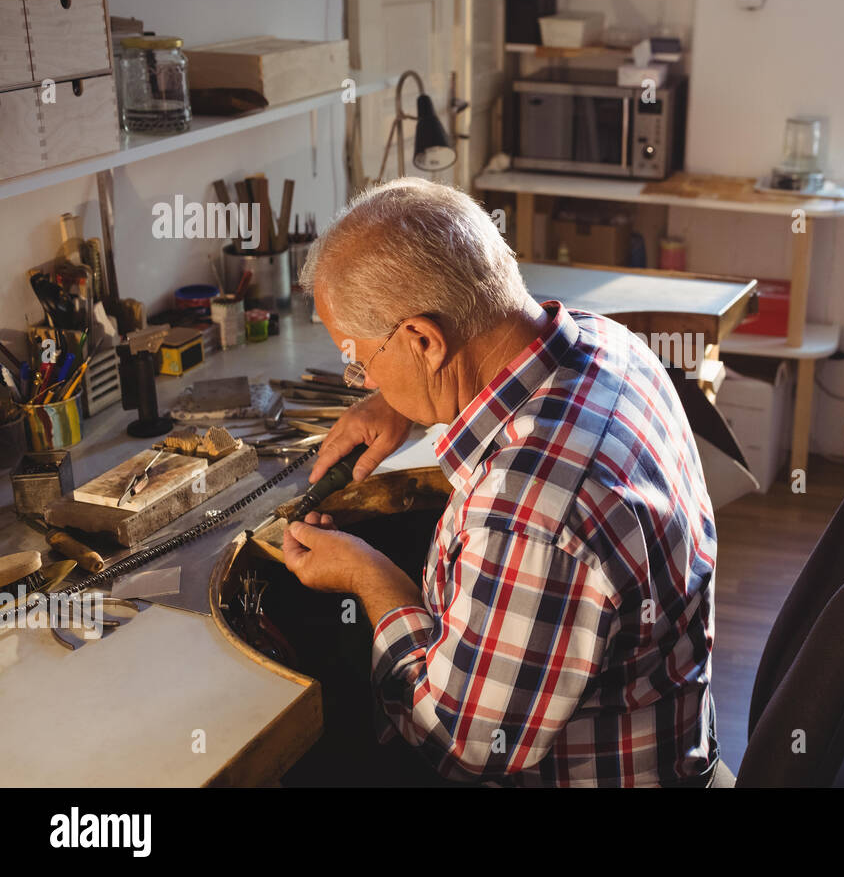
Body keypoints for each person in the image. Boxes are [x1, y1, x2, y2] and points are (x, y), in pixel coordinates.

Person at [283, 178, 719, 786]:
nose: (362, 382)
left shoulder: (528, 515)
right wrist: (410, 397)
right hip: (668, 729)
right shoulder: (611, 343)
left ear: (424, 340)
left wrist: (371, 577)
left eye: (361, 362)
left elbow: (462, 746)